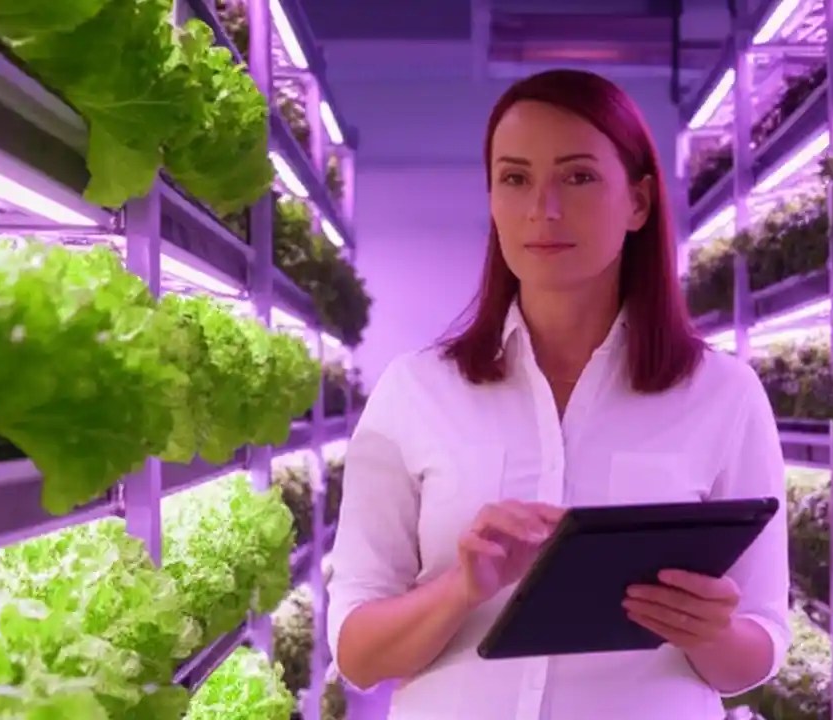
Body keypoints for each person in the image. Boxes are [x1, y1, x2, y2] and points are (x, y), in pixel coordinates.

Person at [325, 68, 790, 720]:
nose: (542, 208)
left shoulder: (723, 394)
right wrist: (463, 587)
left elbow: (760, 648)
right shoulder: (416, 391)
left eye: (577, 177)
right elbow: (358, 654)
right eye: (514, 178)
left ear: (639, 201)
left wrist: (709, 631)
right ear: (490, 197)